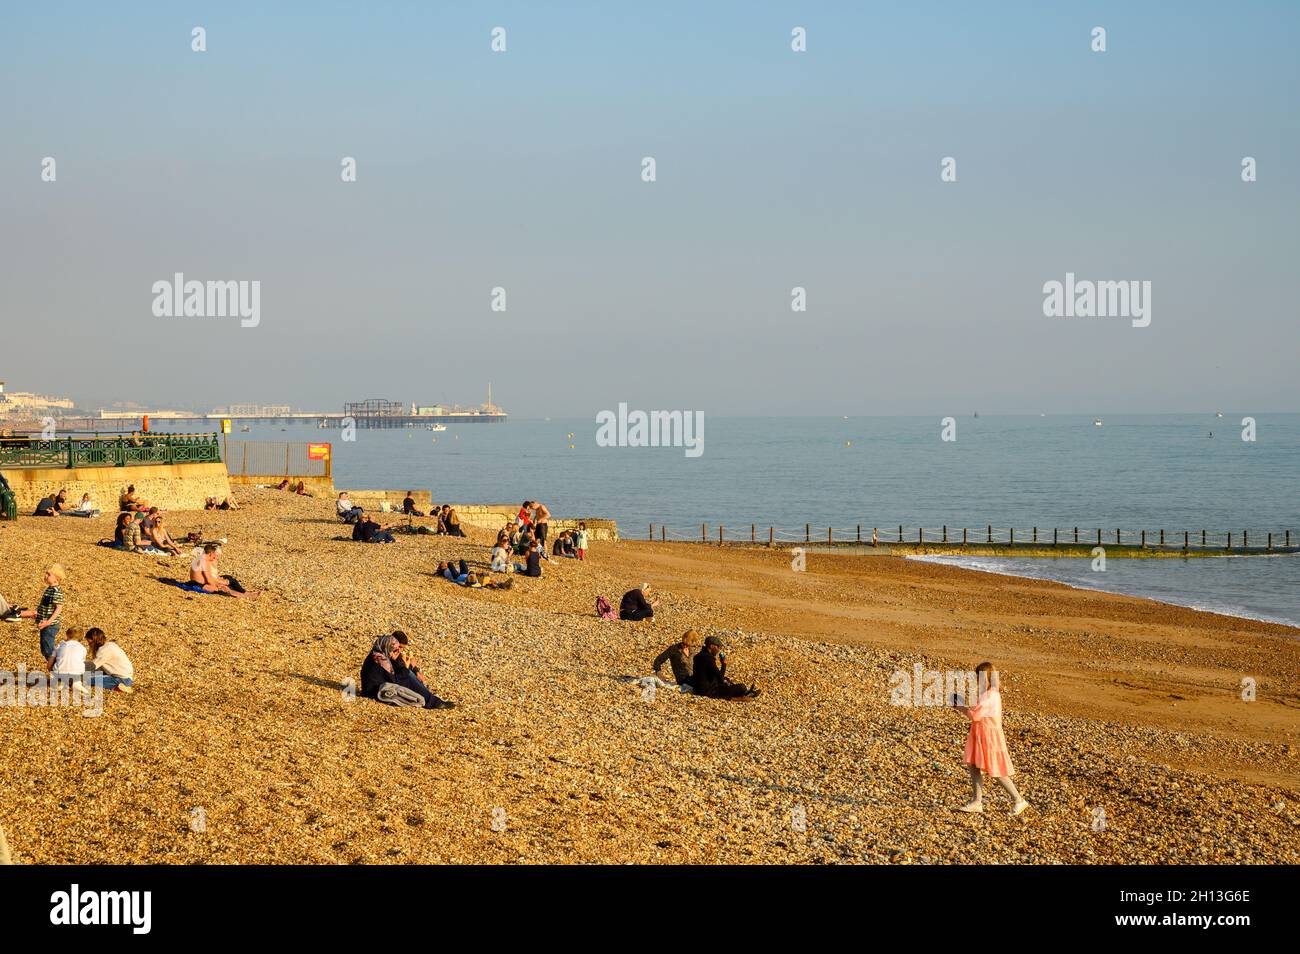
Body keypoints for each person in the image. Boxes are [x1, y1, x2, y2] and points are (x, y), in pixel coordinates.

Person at [953, 662, 1028, 816]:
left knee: (996, 769)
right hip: (980, 735)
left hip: (989, 737)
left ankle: (1018, 799)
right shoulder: (988, 694)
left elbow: (975, 715)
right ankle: (977, 802)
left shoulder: (990, 695)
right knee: (973, 765)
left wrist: (960, 707)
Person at [359, 633, 454, 709]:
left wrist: (406, 667)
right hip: (373, 692)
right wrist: (401, 665)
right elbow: (396, 680)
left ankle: (432, 699)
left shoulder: (377, 654)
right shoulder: (381, 659)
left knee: (408, 674)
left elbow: (395, 676)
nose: (397, 651)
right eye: (395, 649)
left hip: (372, 689)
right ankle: (433, 702)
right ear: (387, 647)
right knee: (407, 675)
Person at [18, 564, 67, 668]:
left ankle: (58, 668)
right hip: (45, 623)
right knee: (45, 647)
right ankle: (58, 666)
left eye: (48, 574)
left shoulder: (56, 592)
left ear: (56, 578)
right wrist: (37, 614)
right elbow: (46, 606)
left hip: (50, 625)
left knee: (48, 648)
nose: (45, 576)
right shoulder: (49, 589)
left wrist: (48, 622)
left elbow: (58, 609)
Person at [691, 635, 760, 699]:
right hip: (707, 691)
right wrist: (724, 664)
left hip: (698, 688)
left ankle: (746, 693)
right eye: (718, 647)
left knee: (726, 680)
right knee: (742, 687)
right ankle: (745, 693)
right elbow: (720, 677)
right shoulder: (708, 659)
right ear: (711, 646)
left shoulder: (699, 656)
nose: (719, 649)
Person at [190, 544, 261, 599]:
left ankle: (245, 594)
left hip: (196, 582)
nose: (214, 558)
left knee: (223, 584)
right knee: (223, 588)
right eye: (213, 556)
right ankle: (244, 595)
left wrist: (217, 581)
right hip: (199, 584)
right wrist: (217, 584)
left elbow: (207, 576)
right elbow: (208, 578)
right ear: (210, 554)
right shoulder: (204, 561)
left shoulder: (199, 558)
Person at [84, 626, 134, 693]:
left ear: (95, 640)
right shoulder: (110, 645)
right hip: (127, 677)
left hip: (121, 679)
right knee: (90, 674)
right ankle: (119, 686)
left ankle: (118, 687)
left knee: (86, 678)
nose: (89, 645)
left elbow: (92, 666)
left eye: (89, 643)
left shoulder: (103, 651)